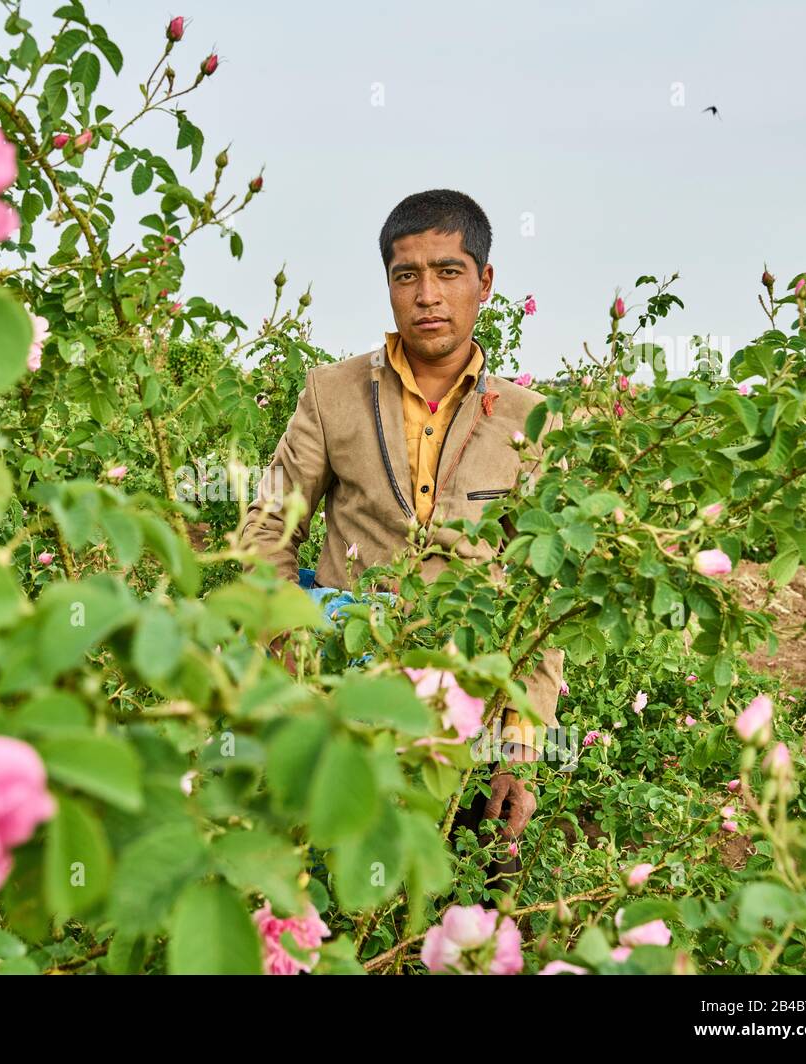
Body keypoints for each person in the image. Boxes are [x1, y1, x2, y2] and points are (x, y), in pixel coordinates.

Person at [241, 189, 564, 884]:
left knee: (467, 908)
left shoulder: (528, 420)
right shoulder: (331, 394)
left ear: (485, 283)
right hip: (340, 706)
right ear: (388, 284)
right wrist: (289, 647)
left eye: (449, 272)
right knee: (320, 897)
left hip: (468, 715)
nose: (427, 295)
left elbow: (543, 599)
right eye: (406, 274)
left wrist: (522, 742)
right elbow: (269, 524)